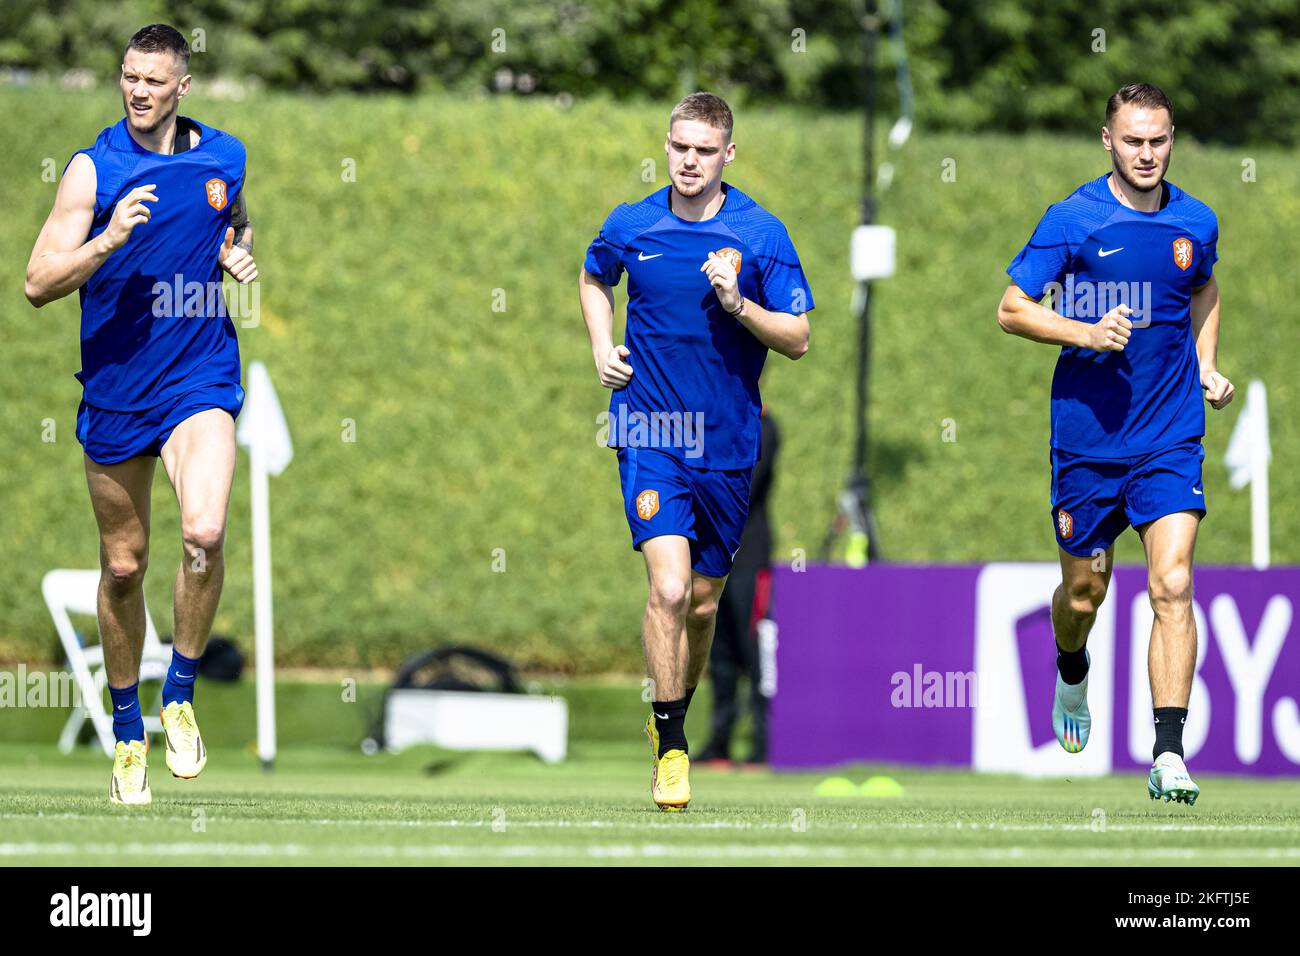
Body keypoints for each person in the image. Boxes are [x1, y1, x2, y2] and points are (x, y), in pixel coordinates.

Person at [25, 24, 258, 805]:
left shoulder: (224, 157)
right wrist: (109, 239)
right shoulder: (93, 171)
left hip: (200, 378)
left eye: (153, 80)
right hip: (118, 391)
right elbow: (37, 280)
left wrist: (238, 254)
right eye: (128, 76)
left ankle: (181, 694)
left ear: (182, 86)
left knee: (205, 532)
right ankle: (128, 736)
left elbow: (233, 221)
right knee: (124, 566)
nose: (137, 90)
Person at [997, 83, 1234, 805]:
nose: (1146, 153)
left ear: (1172, 138)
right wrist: (1086, 332)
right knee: (1084, 590)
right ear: (1108, 140)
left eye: (1158, 139)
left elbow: (1203, 289)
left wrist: (1206, 365)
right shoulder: (1072, 220)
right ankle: (1072, 669)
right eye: (1133, 140)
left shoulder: (1196, 219)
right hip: (1088, 444)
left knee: (1173, 583)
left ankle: (1167, 752)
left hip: (1168, 439)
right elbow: (1011, 310)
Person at [579, 92, 812, 810]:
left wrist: (739, 303)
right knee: (670, 589)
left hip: (729, 447)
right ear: (667, 145)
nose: (689, 160)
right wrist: (600, 347)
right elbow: (593, 276)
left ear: (727, 155)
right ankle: (671, 746)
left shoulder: (761, 234)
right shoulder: (633, 223)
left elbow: (799, 337)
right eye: (680, 146)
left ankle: (675, 708)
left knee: (704, 606)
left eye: (704, 150)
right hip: (650, 433)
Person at [697, 404, 779, 767]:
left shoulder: (764, 426)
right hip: (715, 554)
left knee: (755, 651)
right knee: (720, 654)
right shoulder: (708, 421)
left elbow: (745, 483)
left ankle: (765, 742)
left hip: (750, 560)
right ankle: (720, 740)